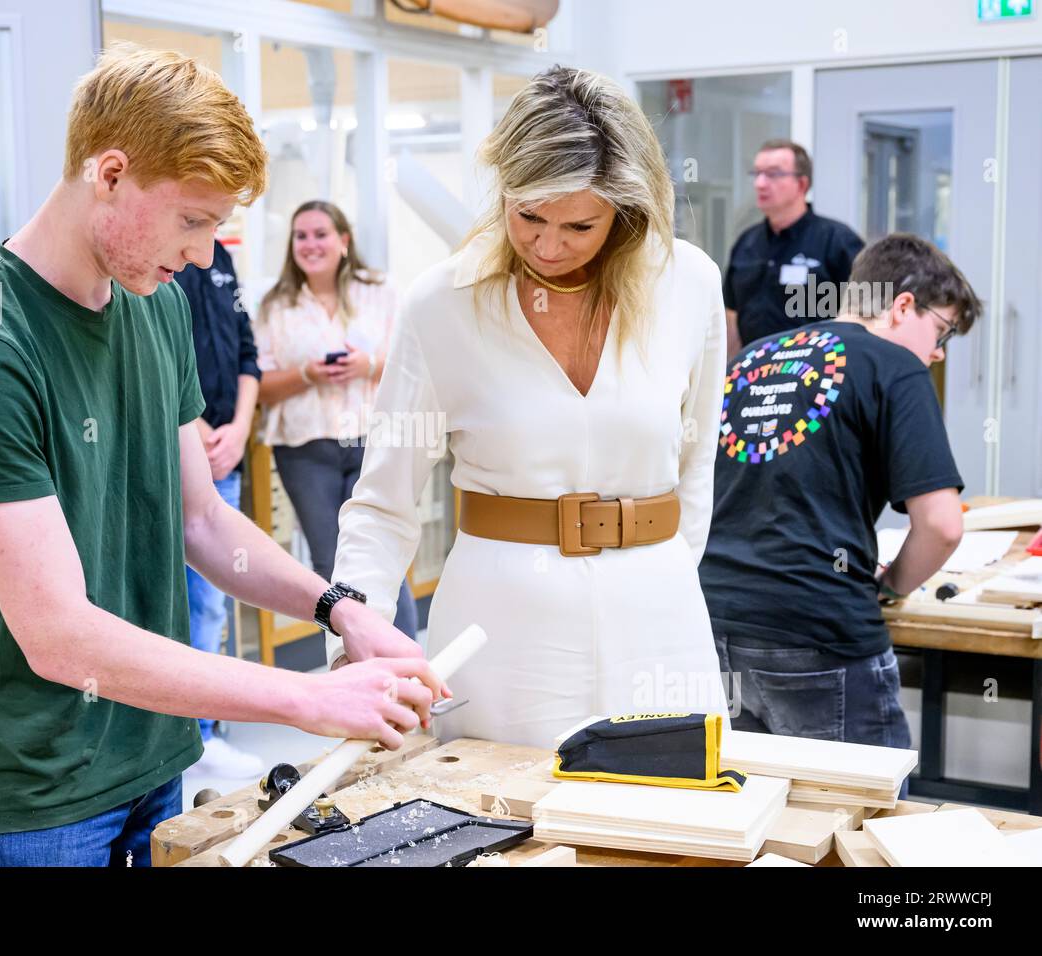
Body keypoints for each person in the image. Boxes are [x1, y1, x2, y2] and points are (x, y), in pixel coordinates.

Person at [0, 45, 443, 868]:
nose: (201, 255)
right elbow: (58, 637)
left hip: (155, 757)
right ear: (110, 174)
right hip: (40, 797)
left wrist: (342, 608)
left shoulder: (153, 307)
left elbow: (203, 520)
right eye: (191, 221)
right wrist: (305, 696)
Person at [327, 66, 730, 749]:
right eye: (528, 215)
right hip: (501, 631)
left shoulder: (687, 283)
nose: (548, 246)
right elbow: (384, 498)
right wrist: (351, 622)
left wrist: (659, 579)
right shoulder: (443, 303)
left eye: (580, 224)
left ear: (625, 212)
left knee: (671, 831)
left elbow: (696, 467)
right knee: (500, 829)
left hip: (659, 624)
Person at [699, 233, 979, 763]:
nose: (938, 352)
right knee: (862, 824)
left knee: (761, 820)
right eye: (941, 330)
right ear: (902, 306)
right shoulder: (897, 367)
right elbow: (942, 525)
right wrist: (893, 585)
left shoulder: (754, 357)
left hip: (714, 624)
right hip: (817, 632)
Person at [255, 200, 418, 639]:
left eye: (320, 234)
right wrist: (307, 374)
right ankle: (361, 672)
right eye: (301, 236)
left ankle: (406, 668)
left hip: (369, 442)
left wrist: (367, 365)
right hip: (303, 449)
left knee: (382, 558)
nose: (310, 244)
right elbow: (261, 385)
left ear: (343, 241)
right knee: (331, 565)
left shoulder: (381, 292)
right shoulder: (275, 306)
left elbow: (413, 364)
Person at [172, 237, 265, 779]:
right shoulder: (162, 259)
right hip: (176, 448)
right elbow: (160, 363)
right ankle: (178, 731)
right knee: (169, 598)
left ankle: (204, 733)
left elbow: (247, 353)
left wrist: (240, 430)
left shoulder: (221, 259)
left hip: (226, 455)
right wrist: (201, 430)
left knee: (210, 601)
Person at [723, 140, 864, 358]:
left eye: (773, 174)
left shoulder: (838, 241)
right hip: (755, 374)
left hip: (816, 373)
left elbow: (870, 314)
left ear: (802, 184)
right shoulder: (746, 243)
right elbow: (732, 317)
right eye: (757, 173)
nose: (760, 183)